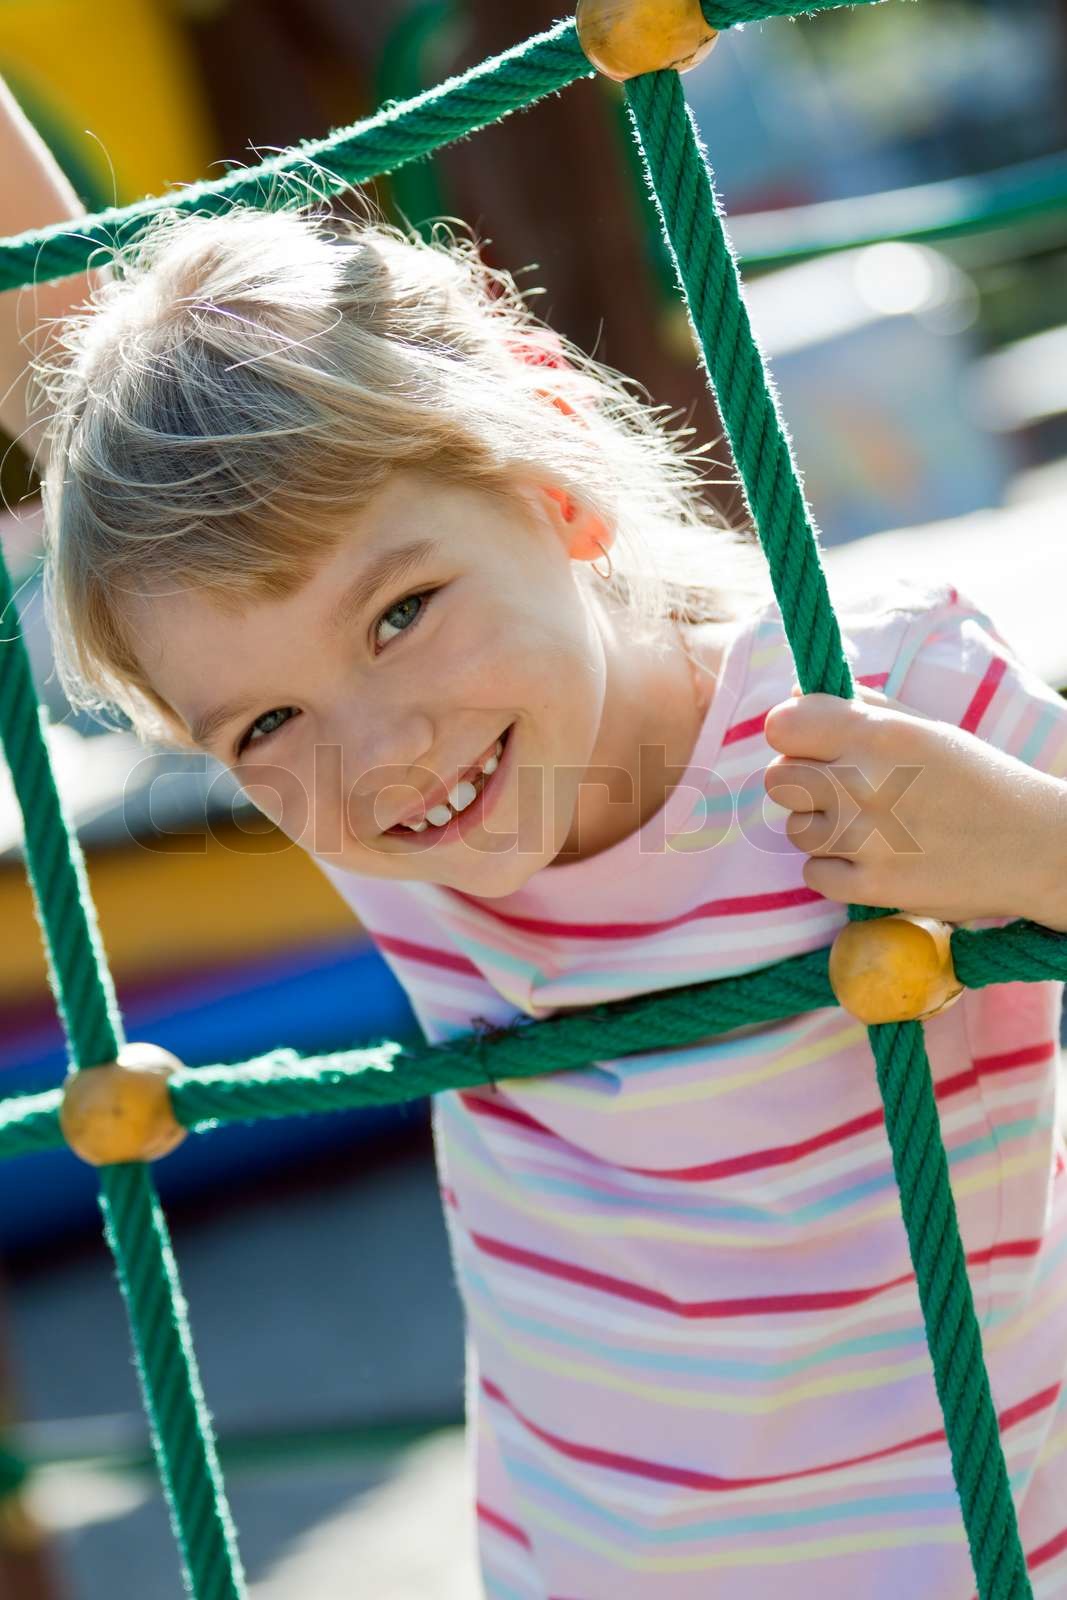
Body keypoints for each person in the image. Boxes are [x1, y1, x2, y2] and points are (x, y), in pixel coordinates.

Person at [20, 186, 1067, 1599]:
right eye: (261, 726)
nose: (380, 750)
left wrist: (1029, 847)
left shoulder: (883, 708)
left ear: (556, 483)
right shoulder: (398, 838)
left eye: (402, 613)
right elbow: (66, 367)